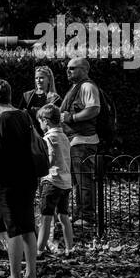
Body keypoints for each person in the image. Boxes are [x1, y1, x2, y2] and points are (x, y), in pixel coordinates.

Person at [0, 80, 41, 278]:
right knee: (27, 225)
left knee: (13, 229)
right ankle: (31, 273)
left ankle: (14, 276)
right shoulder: (25, 116)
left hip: (7, 180)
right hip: (28, 177)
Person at [59, 56, 102, 227]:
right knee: (77, 181)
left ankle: (87, 216)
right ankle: (80, 214)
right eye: (68, 68)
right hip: (74, 141)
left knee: (84, 180)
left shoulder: (87, 86)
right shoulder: (76, 87)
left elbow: (94, 109)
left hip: (83, 141)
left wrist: (72, 117)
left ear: (84, 70)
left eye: (72, 68)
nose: (68, 71)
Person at [36, 105, 74, 254]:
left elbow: (49, 158)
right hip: (65, 182)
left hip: (51, 181)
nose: (40, 125)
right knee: (64, 216)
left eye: (40, 122)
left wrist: (42, 169)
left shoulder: (48, 138)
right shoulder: (65, 137)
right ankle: (70, 248)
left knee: (45, 218)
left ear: (45, 121)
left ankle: (39, 250)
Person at [22, 65, 61, 131]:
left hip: (47, 134)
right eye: (36, 78)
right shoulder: (27, 96)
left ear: (49, 79)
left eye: (41, 78)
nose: (38, 80)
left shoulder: (55, 98)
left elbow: (58, 120)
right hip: (29, 133)